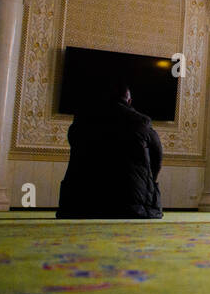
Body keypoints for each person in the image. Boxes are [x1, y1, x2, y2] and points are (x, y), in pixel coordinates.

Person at [56, 78, 164, 219]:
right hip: (134, 207)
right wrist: (148, 183)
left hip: (78, 206)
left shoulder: (81, 121)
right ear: (129, 101)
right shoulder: (142, 123)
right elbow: (157, 157)